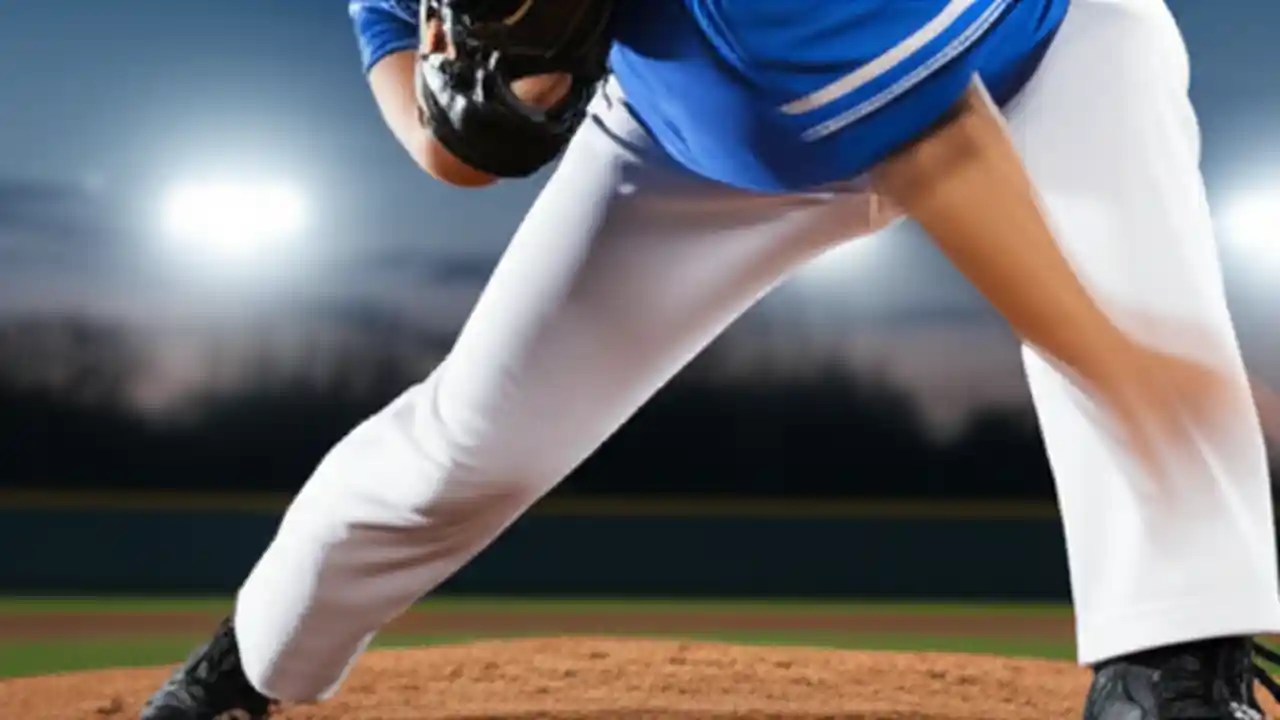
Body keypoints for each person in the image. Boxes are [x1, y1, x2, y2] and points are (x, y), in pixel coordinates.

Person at [142, 0, 1280, 718]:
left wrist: (1126, 369)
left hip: (1035, 53)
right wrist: (455, 123)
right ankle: (251, 662)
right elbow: (421, 95)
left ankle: (1176, 665)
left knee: (1135, 325)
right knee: (469, 440)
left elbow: (942, 152)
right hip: (687, 135)